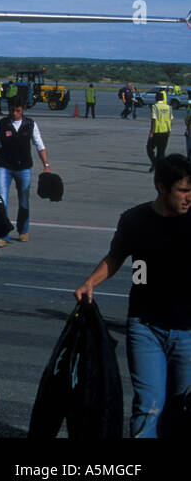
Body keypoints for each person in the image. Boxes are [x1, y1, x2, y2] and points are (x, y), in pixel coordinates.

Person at [74, 155, 191, 438]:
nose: (189, 198)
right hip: (145, 327)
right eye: (183, 191)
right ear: (161, 187)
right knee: (148, 405)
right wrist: (90, 283)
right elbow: (115, 257)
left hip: (188, 330)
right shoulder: (135, 220)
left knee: (180, 407)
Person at [0, 96, 50, 244]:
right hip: (4, 167)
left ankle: (23, 230)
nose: (14, 113)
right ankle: (3, 235)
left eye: (17, 110)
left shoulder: (31, 124)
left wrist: (46, 165)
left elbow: (39, 145)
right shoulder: (1, 123)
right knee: (1, 201)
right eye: (12, 110)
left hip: (24, 168)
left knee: (24, 201)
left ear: (23, 110)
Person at [148, 91, 173, 171]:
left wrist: (151, 132)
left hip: (156, 131)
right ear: (163, 98)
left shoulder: (155, 107)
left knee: (149, 148)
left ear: (156, 98)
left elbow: (154, 120)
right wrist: (169, 130)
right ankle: (159, 168)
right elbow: (171, 120)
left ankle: (154, 163)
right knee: (161, 152)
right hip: (165, 132)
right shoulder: (169, 107)